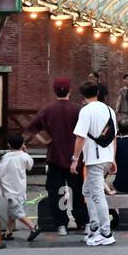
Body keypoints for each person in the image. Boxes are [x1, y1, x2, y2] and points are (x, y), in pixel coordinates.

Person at [25, 78, 86, 237]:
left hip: (55, 156)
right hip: (75, 158)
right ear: (69, 91)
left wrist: (45, 140)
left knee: (55, 193)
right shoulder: (78, 110)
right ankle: (82, 222)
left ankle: (61, 225)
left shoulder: (47, 110)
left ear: (54, 91)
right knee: (78, 192)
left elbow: (32, 128)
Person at [72, 81, 118, 246]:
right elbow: (113, 136)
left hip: (94, 158)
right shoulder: (109, 110)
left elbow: (80, 136)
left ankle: (105, 231)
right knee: (88, 190)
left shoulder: (85, 111)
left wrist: (75, 159)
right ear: (97, 92)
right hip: (106, 157)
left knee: (97, 194)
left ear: (82, 95)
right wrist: (113, 158)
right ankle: (94, 226)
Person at [0, 133, 40, 242]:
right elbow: (30, 165)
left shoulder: (6, 158)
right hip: (20, 188)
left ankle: (33, 227)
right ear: (22, 145)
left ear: (9, 145)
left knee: (17, 212)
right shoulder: (24, 156)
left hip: (10, 189)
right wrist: (25, 151)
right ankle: (8, 232)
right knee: (11, 212)